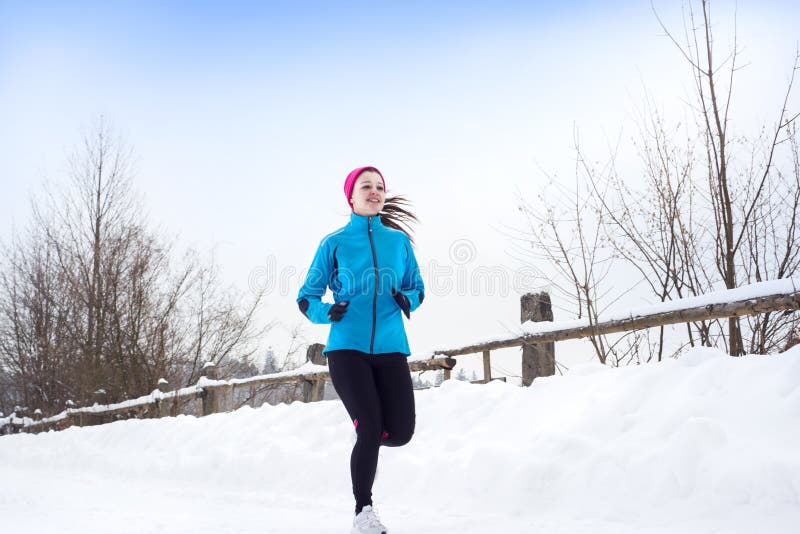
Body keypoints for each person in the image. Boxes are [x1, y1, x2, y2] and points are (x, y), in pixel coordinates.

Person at [297, 166, 424, 534]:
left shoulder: (398, 243)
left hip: (390, 348)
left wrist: (407, 298)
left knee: (400, 433)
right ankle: (363, 511)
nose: (374, 191)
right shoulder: (333, 243)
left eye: (379, 187)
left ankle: (364, 436)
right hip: (347, 348)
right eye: (366, 186)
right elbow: (306, 298)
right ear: (350, 197)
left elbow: (418, 286)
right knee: (370, 427)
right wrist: (327, 311)